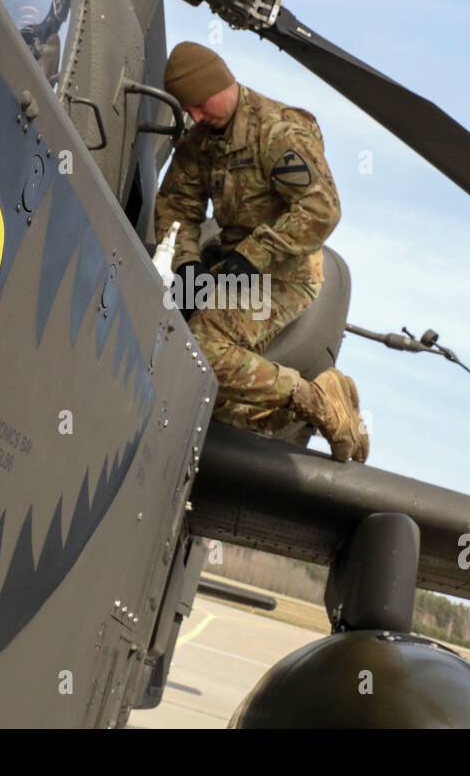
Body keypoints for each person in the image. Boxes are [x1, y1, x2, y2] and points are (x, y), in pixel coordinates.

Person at [155, 41, 368, 462]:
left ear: (219, 84)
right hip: (234, 267)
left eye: (198, 104)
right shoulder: (201, 142)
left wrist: (255, 254)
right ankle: (290, 412)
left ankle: (319, 401)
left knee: (202, 349)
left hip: (284, 274)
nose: (195, 116)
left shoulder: (277, 132)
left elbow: (321, 209)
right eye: (189, 109)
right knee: (194, 384)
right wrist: (187, 265)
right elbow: (177, 206)